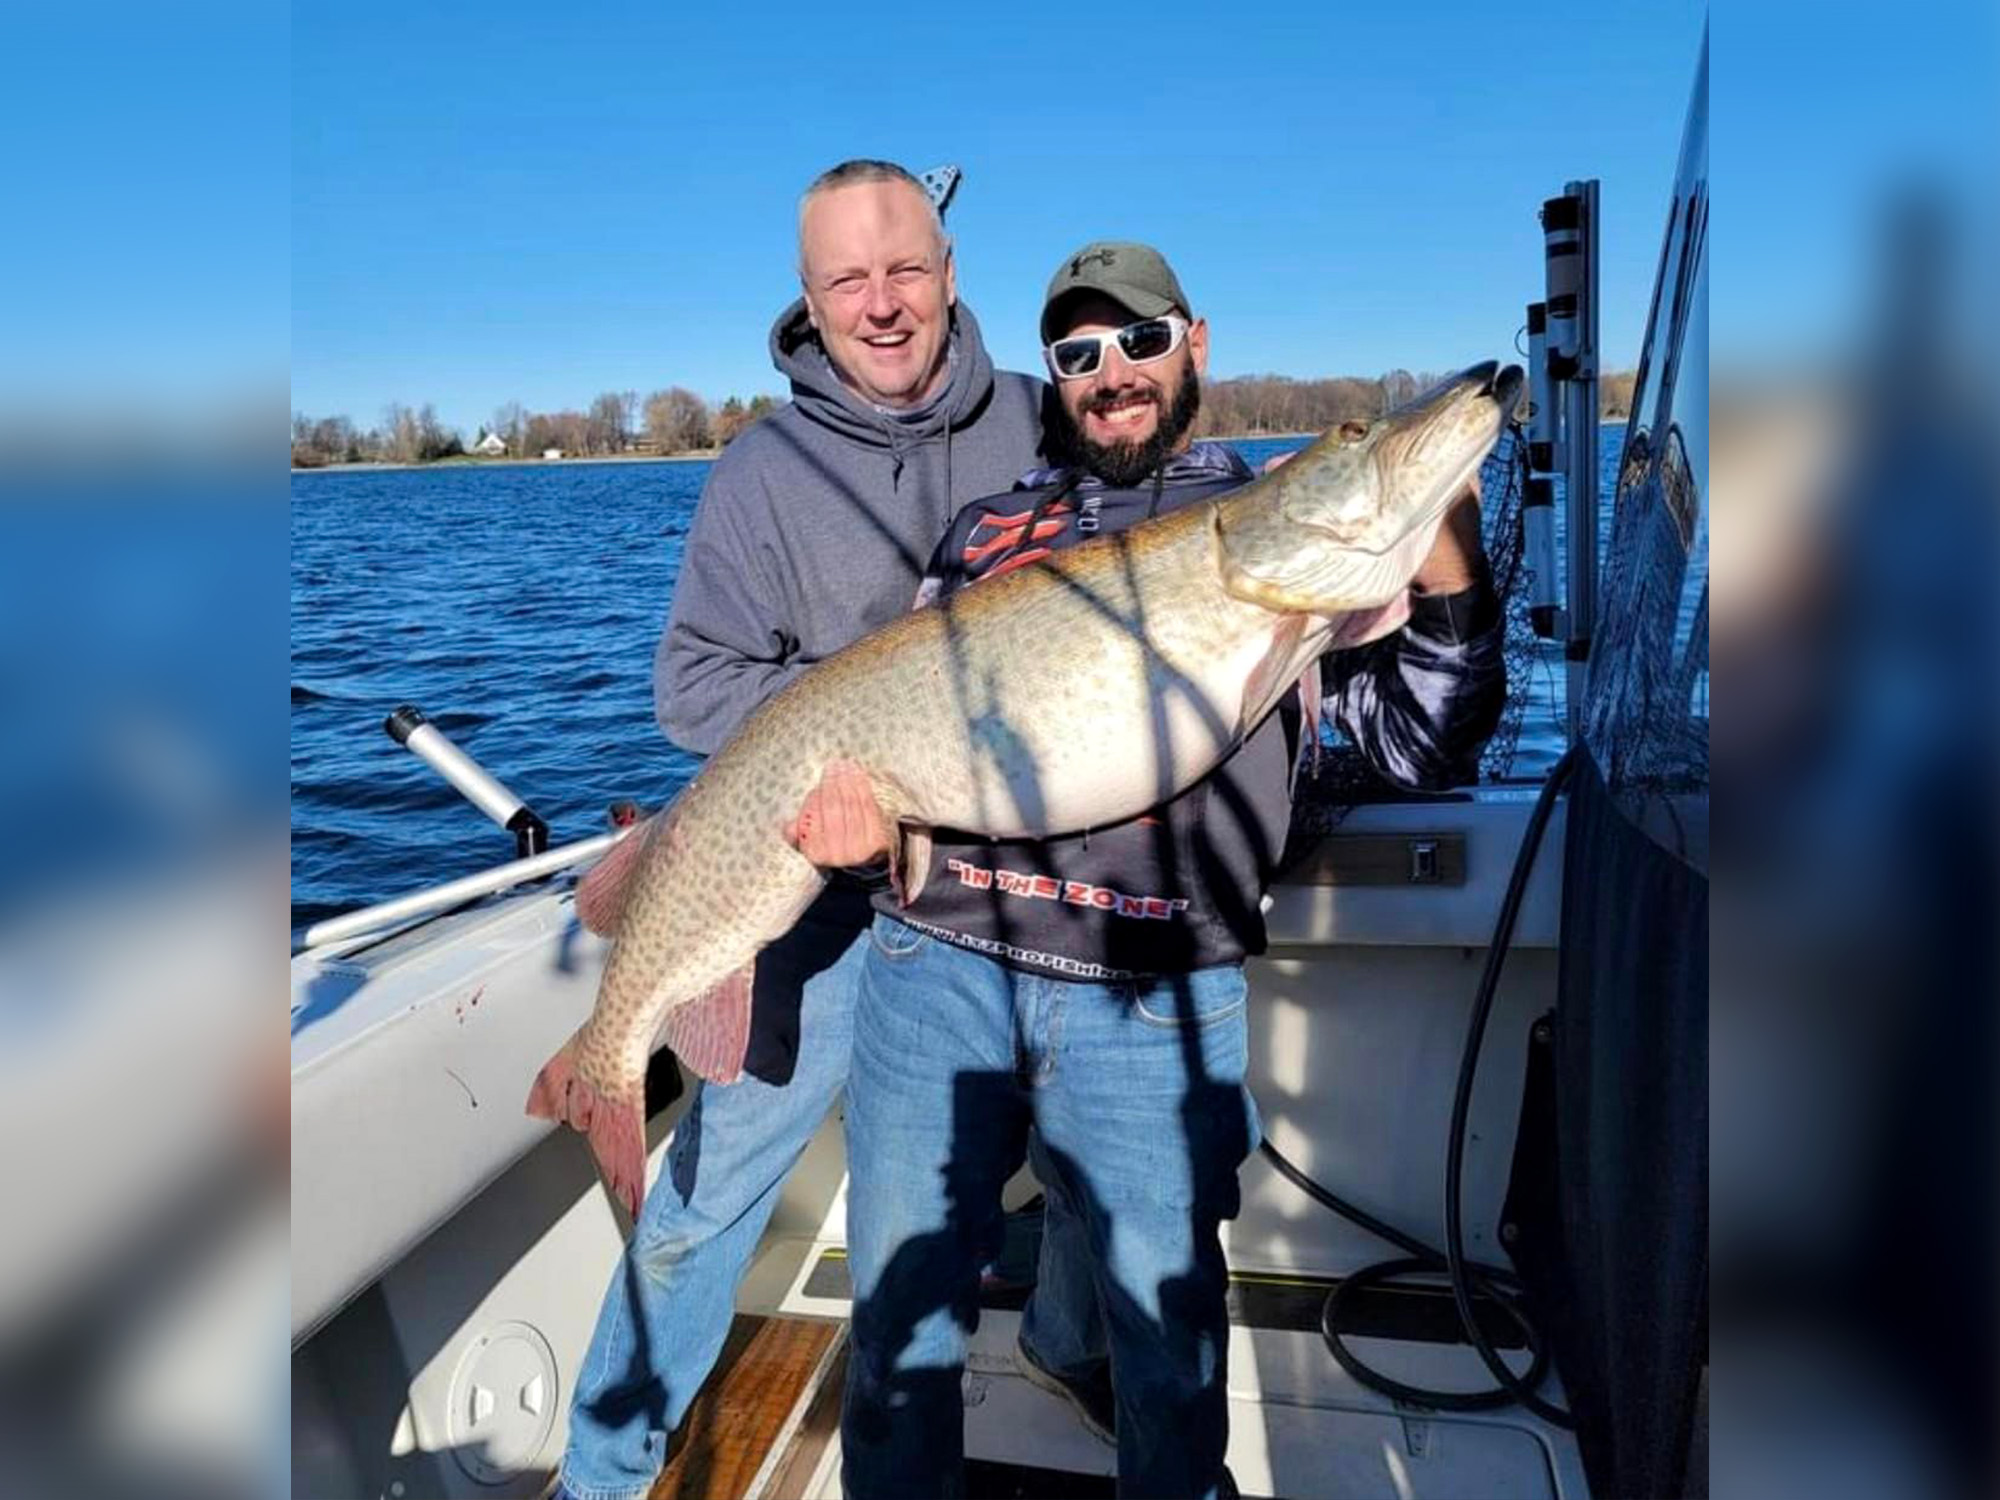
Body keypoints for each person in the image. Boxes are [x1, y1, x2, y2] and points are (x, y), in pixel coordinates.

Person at [814, 242, 1507, 1498]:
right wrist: (860, 831)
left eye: (1139, 339)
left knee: (1169, 1366)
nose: (1112, 372)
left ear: (1194, 344)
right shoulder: (986, 531)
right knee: (896, 1340)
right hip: (935, 970)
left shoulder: (1271, 531)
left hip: (1151, 993)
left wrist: (1441, 541)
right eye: (1078, 353)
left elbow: (1419, 742)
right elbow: (890, 733)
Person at [549, 160, 1072, 1500]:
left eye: (903, 270)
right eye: (848, 280)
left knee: (1003, 1191)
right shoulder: (759, 472)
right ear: (809, 298)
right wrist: (847, 734)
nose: (880, 304)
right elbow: (692, 685)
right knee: (702, 1203)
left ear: (949, 273)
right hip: (813, 901)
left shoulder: (1042, 421)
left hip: (998, 887)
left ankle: (1036, 1372)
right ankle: (604, 1471)